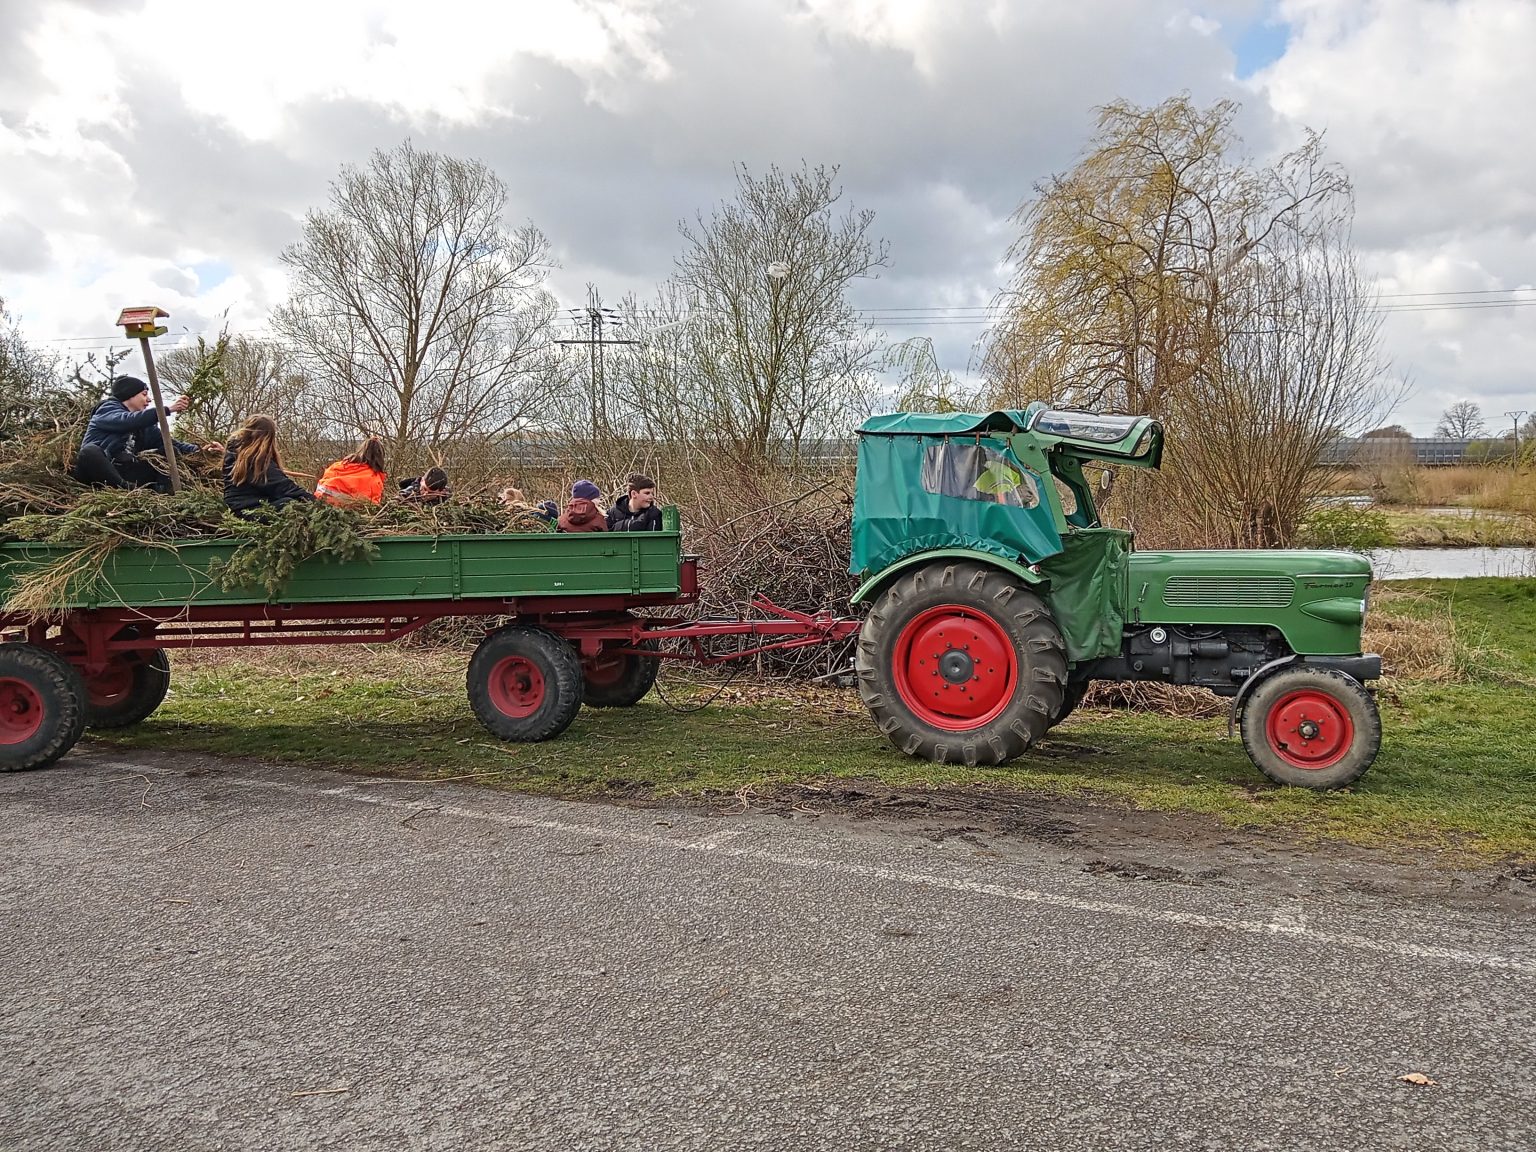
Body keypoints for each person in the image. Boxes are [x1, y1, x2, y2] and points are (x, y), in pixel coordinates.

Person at [72, 375, 221, 490]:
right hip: (100, 471)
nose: (149, 399)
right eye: (144, 394)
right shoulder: (106, 410)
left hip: (126, 471)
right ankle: (124, 488)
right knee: (89, 451)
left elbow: (170, 444)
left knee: (170, 452)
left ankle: (162, 492)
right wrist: (167, 410)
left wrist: (201, 450)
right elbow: (127, 420)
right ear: (129, 395)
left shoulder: (145, 426)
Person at [222, 415, 313, 514]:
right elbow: (283, 487)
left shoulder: (235, 453)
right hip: (248, 511)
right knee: (291, 504)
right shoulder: (256, 460)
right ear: (267, 437)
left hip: (238, 507)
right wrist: (315, 503)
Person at [314, 436, 387, 505]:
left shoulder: (338, 465)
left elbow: (323, 483)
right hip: (344, 511)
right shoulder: (374, 478)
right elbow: (373, 505)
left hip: (319, 501)